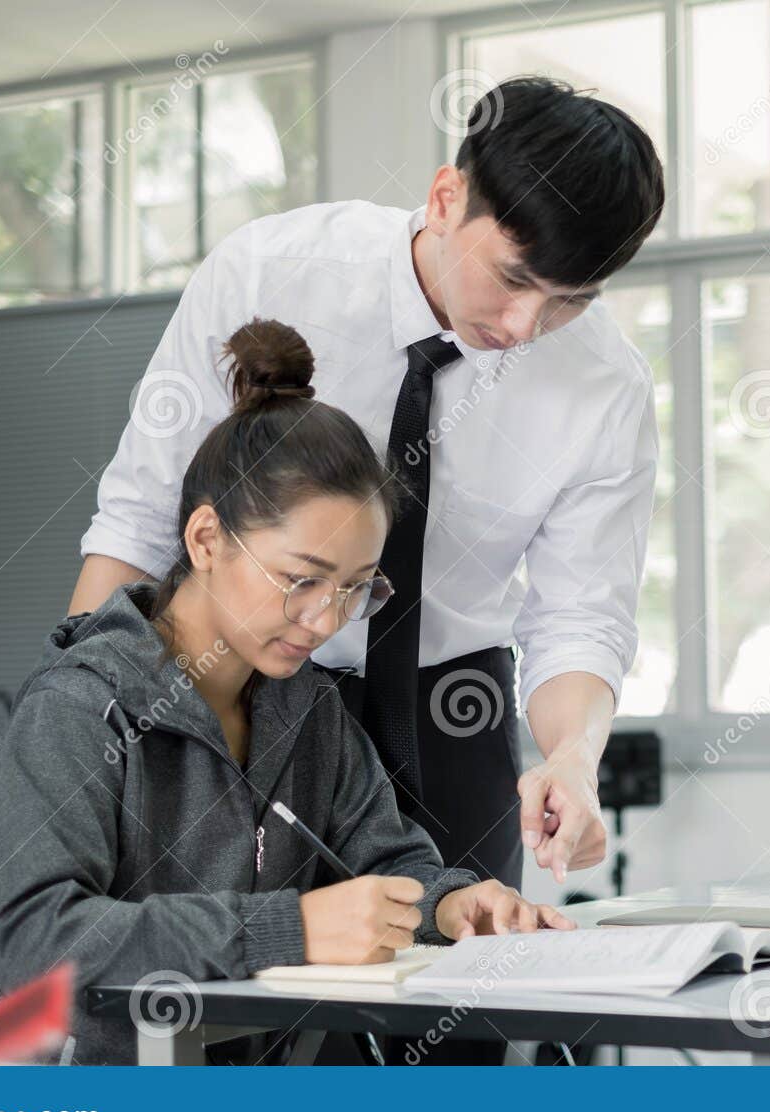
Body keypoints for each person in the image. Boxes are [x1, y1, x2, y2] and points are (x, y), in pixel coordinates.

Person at [66, 76, 667, 905]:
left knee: (471, 954)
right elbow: (140, 523)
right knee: (230, 959)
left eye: (571, 300)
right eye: (512, 278)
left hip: (451, 704)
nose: (525, 327)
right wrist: (57, 796)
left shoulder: (606, 386)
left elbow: (580, 617)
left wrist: (572, 758)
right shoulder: (268, 272)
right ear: (446, 198)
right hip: (240, 681)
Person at [0, 319, 572, 1066]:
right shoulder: (78, 707)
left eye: (354, 588)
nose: (326, 620)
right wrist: (292, 930)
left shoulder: (307, 709)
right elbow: (30, 945)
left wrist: (450, 904)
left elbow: (386, 860)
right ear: (206, 540)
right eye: (301, 579)